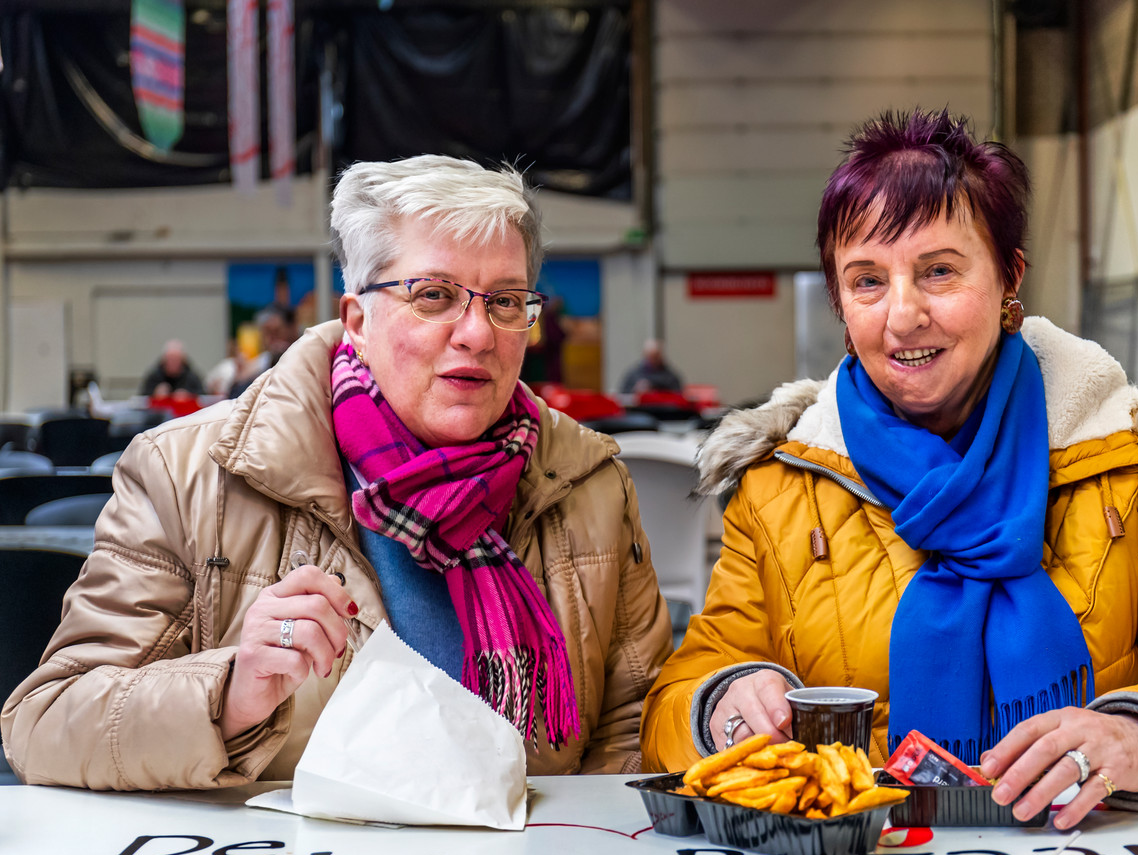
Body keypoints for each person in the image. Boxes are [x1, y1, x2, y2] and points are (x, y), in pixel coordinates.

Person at [640, 109, 1138, 829]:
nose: (902, 315)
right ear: (840, 303)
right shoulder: (782, 488)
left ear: (1009, 277)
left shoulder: (1128, 467)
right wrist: (723, 704)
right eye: (866, 281)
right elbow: (673, 700)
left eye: (938, 271)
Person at [3, 154, 672, 789]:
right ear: (356, 319)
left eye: (504, 301)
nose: (477, 333)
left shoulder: (589, 484)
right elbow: (49, 722)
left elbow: (632, 726)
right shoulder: (188, 473)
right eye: (434, 295)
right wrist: (230, 694)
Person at [139, 338, 204, 397]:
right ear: (164, 360)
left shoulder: (192, 377)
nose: (173, 363)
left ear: (183, 360)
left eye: (176, 359)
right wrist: (154, 393)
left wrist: (189, 395)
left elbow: (203, 397)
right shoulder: (154, 376)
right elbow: (142, 398)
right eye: (170, 359)